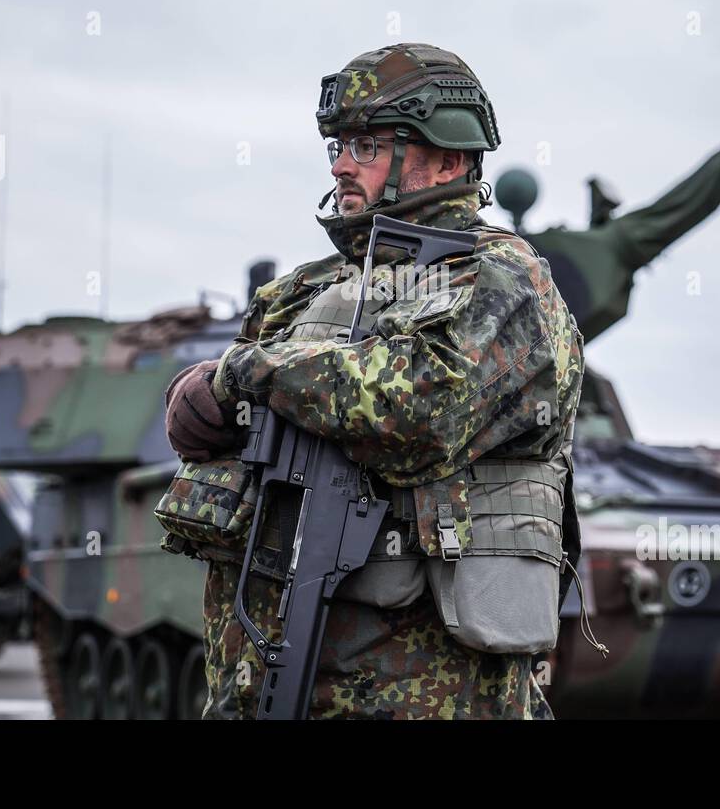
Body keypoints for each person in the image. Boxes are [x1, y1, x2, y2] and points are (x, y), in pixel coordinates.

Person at [162, 42, 585, 719]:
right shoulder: (305, 291)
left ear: (445, 158)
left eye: (365, 146)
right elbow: (228, 418)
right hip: (265, 679)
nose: (339, 164)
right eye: (337, 145)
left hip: (425, 696)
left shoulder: (502, 280)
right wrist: (201, 395)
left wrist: (247, 371)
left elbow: (419, 408)